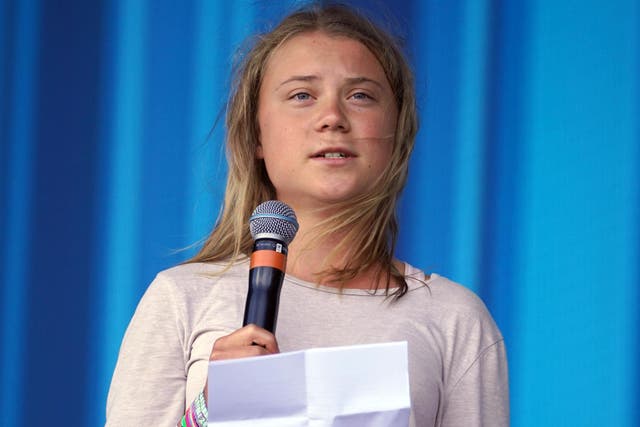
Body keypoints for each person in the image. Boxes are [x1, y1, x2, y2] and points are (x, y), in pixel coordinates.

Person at [105, 3, 509, 426]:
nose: (332, 117)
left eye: (360, 95)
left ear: (397, 134)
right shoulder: (181, 300)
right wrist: (208, 408)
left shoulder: (455, 319)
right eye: (302, 95)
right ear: (256, 134)